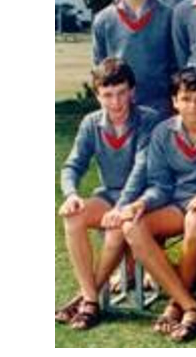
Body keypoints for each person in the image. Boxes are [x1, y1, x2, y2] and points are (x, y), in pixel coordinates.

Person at [117, 67, 196, 342]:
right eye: (186, 99)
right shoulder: (162, 133)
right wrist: (142, 203)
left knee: (195, 218)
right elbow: (160, 184)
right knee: (132, 225)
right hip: (175, 203)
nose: (193, 106)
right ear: (174, 101)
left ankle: (174, 306)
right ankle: (188, 304)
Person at [56, 59, 160, 331]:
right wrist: (71, 194)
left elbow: (141, 168)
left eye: (122, 93)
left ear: (132, 91)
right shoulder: (91, 123)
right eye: (107, 95)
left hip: (142, 198)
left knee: (116, 229)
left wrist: (122, 207)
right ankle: (90, 298)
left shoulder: (148, 119)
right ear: (97, 95)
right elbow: (72, 165)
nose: (116, 102)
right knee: (73, 218)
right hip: (109, 195)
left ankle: (84, 303)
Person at [92, 0, 175, 117]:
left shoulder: (168, 17)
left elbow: (176, 69)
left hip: (160, 111)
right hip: (119, 113)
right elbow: (100, 74)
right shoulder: (103, 20)